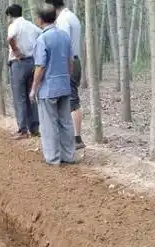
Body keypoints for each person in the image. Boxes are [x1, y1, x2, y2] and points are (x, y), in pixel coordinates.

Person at [30, 5, 75, 166]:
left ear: (40, 20)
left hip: (48, 88)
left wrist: (34, 88)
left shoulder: (42, 39)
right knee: (66, 122)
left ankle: (53, 158)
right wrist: (66, 79)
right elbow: (70, 63)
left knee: (49, 124)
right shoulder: (64, 36)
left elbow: (40, 66)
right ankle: (69, 155)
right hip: (64, 85)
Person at [48, 0, 84, 149]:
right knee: (72, 99)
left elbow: (63, 44)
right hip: (75, 60)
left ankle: (76, 138)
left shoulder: (62, 20)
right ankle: (73, 137)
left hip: (67, 63)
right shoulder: (72, 16)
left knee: (72, 100)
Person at [6, 4, 41, 139]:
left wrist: (16, 51)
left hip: (18, 63)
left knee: (19, 97)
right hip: (32, 62)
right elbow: (40, 35)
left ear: (10, 15)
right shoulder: (30, 25)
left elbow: (10, 38)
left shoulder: (14, 25)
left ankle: (22, 130)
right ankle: (35, 128)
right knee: (31, 95)